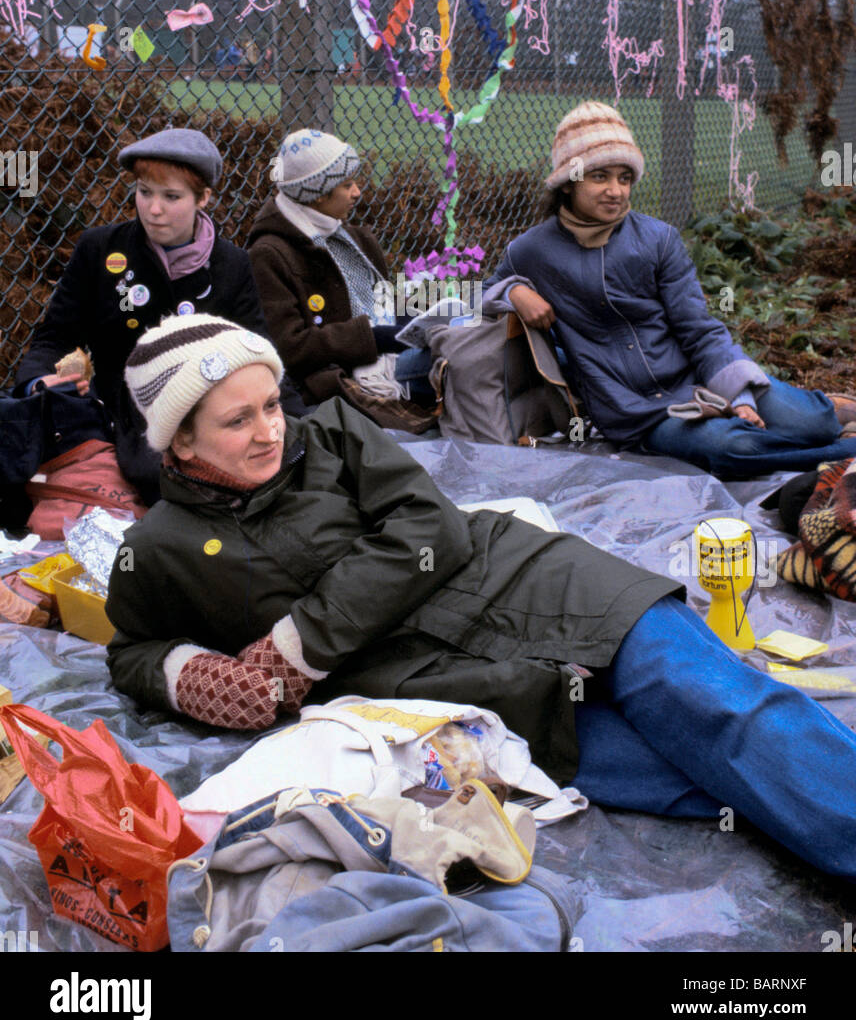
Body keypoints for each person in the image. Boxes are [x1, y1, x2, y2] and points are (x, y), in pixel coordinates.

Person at [106, 312, 856, 885]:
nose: (271, 430)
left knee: (720, 705)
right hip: (449, 691)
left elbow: (429, 526)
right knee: (676, 775)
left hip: (537, 584)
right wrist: (188, 673)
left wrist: (303, 641)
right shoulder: (160, 548)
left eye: (271, 404)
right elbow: (130, 648)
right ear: (180, 443)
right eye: (238, 420)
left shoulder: (331, 434)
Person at [485, 101, 856, 480]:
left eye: (625, 178)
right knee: (734, 449)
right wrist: (513, 291)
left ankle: (822, 414)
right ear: (569, 181)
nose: (616, 191)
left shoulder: (658, 239)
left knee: (813, 425)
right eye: (600, 177)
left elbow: (699, 328)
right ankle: (844, 450)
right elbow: (476, 292)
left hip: (696, 378)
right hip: (638, 413)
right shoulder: (532, 251)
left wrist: (738, 398)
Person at [14, 126, 303, 506]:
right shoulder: (101, 250)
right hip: (125, 414)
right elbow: (55, 337)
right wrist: (37, 381)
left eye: (171, 196)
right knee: (162, 480)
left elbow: (257, 348)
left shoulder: (231, 264)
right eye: (144, 192)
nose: (152, 209)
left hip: (209, 409)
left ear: (204, 198)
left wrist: (298, 422)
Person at [247, 128, 434, 431]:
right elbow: (289, 347)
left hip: (387, 359)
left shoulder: (354, 238)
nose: (357, 192)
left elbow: (381, 303)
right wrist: (375, 337)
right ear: (318, 195)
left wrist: (426, 311)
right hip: (351, 377)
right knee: (465, 359)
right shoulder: (270, 255)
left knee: (470, 326)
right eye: (347, 185)